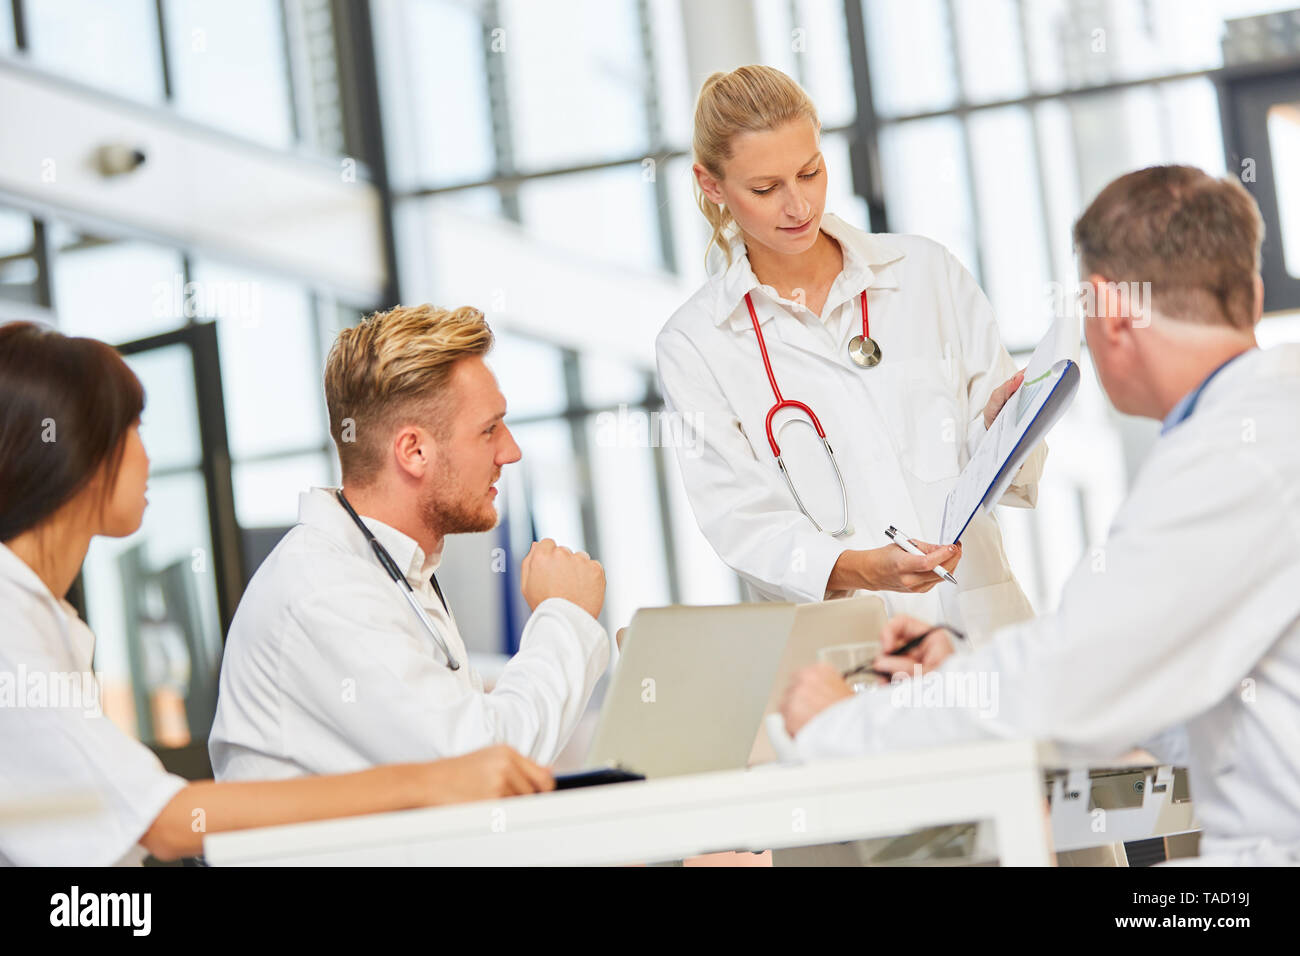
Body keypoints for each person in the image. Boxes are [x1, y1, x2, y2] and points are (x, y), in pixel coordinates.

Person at [781, 165, 1300, 865]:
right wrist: (968, 668)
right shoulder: (1263, 422)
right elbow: (1179, 688)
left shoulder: (1230, 463)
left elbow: (1074, 684)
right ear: (1252, 292)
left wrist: (843, 728)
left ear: (1110, 311)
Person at [0, 321, 553, 867]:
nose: (149, 455)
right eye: (134, 430)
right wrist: (429, 782)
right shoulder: (9, 620)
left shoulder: (38, 615)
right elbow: (165, 821)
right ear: (72, 450)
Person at [656, 65, 1045, 643]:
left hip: (985, 631)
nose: (798, 205)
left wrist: (1001, 424)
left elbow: (999, 468)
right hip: (848, 650)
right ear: (712, 186)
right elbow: (741, 522)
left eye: (810, 172)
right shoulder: (696, 343)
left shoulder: (925, 273)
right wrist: (862, 568)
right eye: (765, 189)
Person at [209, 304, 610, 781]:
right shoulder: (323, 591)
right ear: (414, 451)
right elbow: (481, 763)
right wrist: (563, 615)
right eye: (489, 430)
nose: (511, 451)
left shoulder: (392, 572)